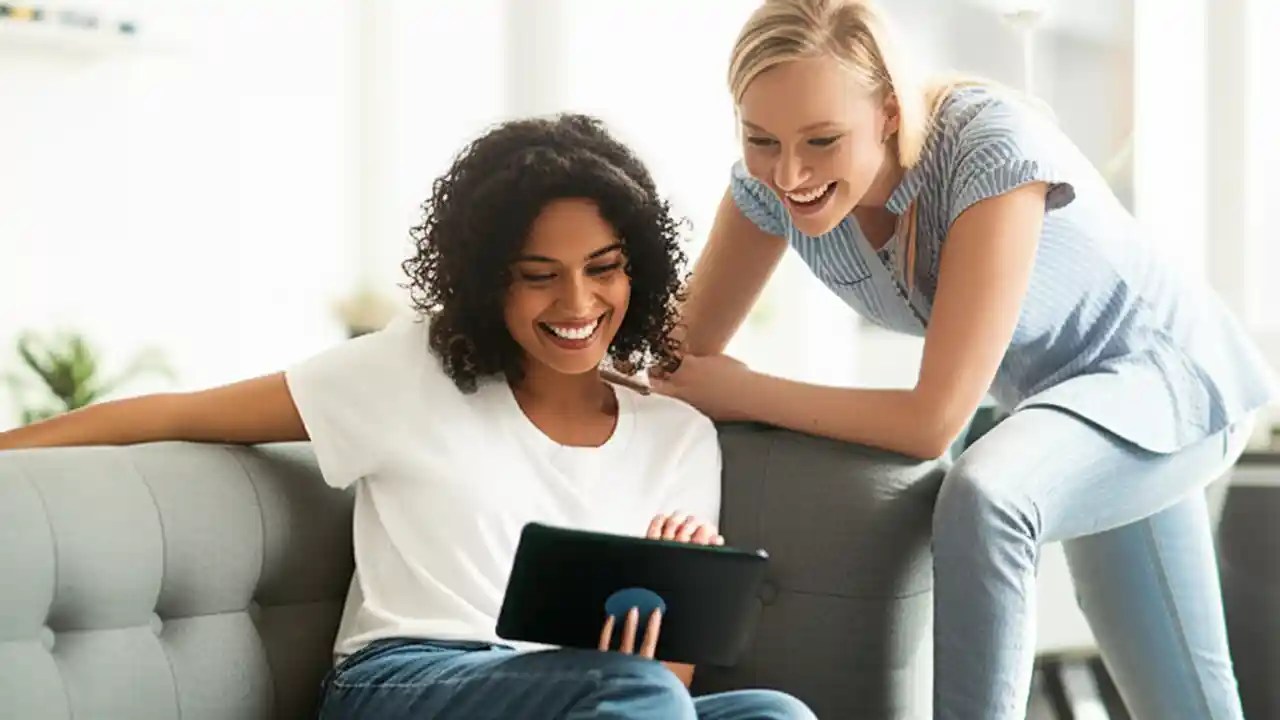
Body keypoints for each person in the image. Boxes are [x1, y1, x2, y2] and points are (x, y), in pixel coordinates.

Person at [0, 114, 815, 720]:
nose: (577, 303)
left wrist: (653, 634)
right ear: (487, 281)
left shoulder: (679, 439)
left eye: (602, 269)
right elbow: (184, 412)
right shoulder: (411, 370)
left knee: (776, 715)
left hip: (588, 693)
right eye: (539, 275)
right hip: (404, 682)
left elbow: (664, 691)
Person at [652, 1, 1279, 718]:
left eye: (822, 140)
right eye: (760, 138)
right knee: (1189, 707)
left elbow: (932, 420)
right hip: (1057, 410)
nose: (789, 172)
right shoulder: (766, 188)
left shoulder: (990, 153)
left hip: (1167, 377)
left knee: (990, 497)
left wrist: (746, 391)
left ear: (888, 113)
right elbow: (676, 358)